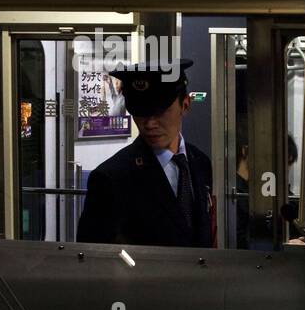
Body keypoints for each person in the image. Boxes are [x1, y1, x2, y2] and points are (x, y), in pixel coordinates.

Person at [77, 59, 214, 248]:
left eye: (160, 112)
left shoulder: (200, 163)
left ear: (185, 105)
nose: (149, 124)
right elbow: (93, 255)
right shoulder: (111, 178)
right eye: (140, 112)